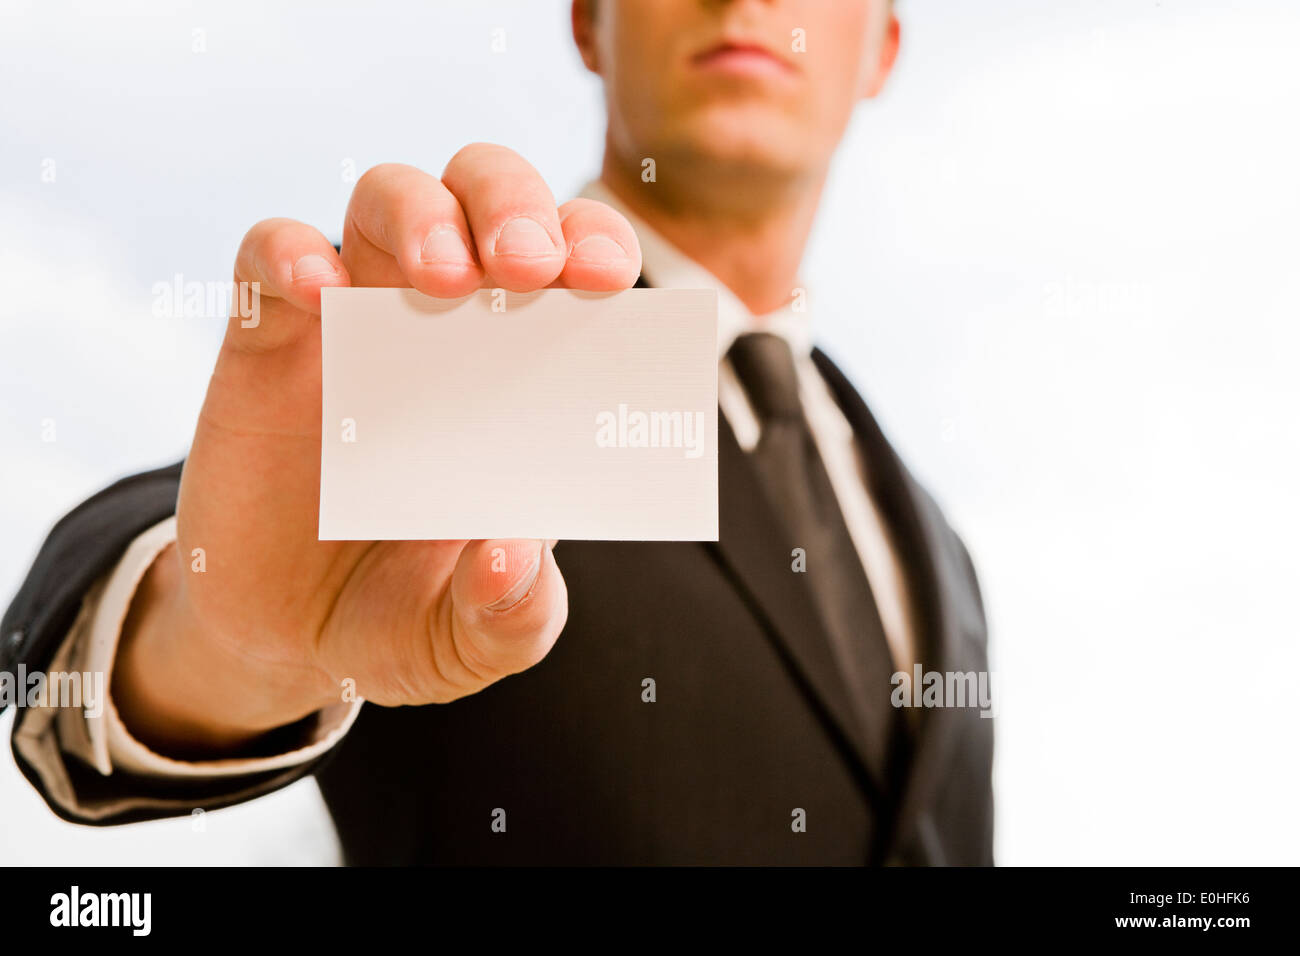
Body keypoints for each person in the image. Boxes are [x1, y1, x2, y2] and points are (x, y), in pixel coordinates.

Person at [3, 0, 993, 864]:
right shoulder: (467, 344)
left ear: (883, 51)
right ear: (585, 22)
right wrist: (231, 650)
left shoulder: (928, 536)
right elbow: (226, 541)